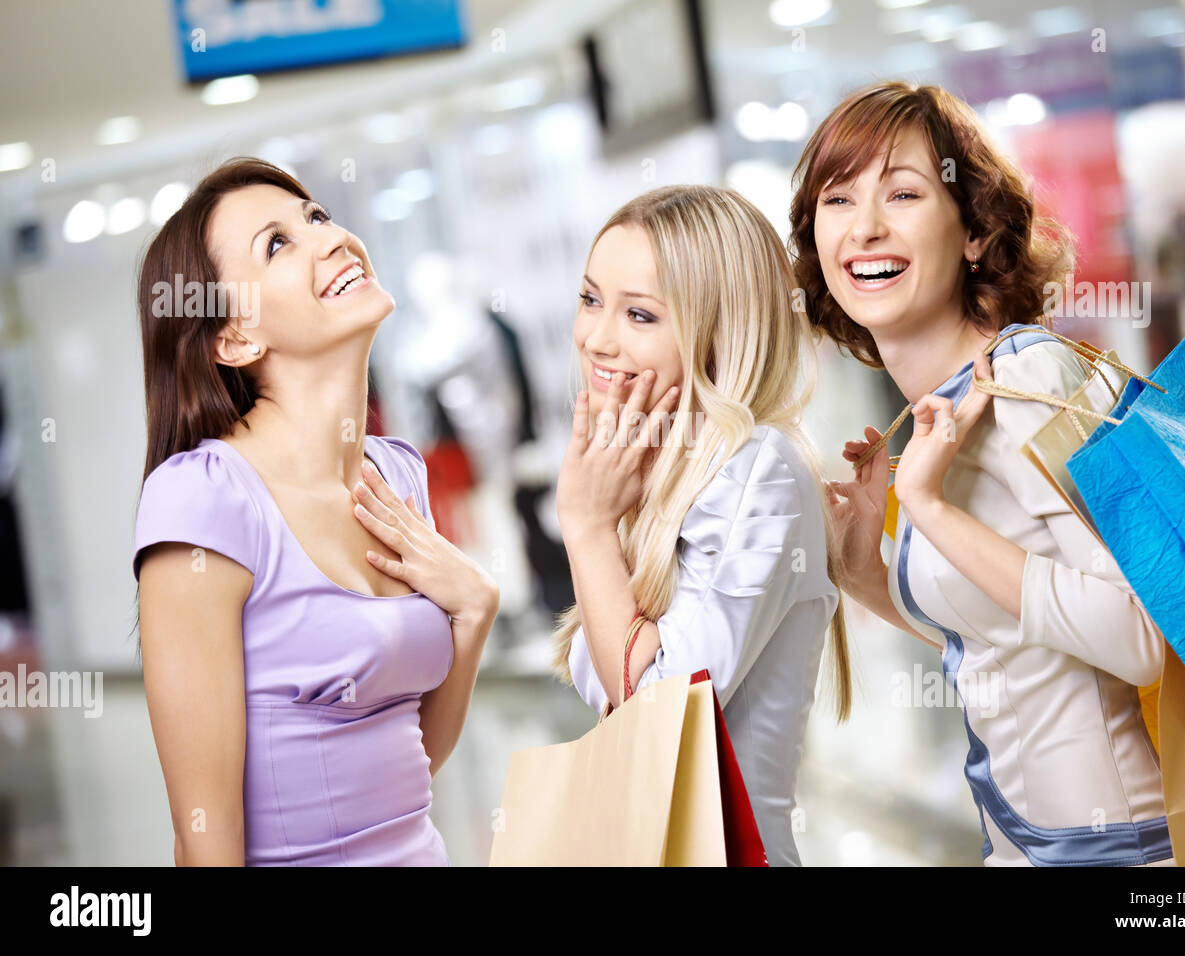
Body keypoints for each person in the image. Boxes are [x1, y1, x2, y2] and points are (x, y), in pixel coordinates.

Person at [795, 82, 1173, 866]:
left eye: (902, 193)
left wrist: (928, 508)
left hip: (1118, 851)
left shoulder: (1030, 382)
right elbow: (1001, 636)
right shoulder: (938, 409)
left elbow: (1138, 636)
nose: (865, 228)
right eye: (838, 200)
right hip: (1021, 846)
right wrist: (868, 570)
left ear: (972, 231)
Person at [132, 158, 498, 866]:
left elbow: (412, 764)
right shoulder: (203, 498)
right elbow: (206, 841)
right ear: (235, 339)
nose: (328, 238)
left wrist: (474, 614)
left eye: (317, 218)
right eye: (277, 244)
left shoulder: (395, 476)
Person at [551, 184, 853, 867]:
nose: (597, 338)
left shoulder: (760, 468)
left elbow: (657, 709)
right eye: (591, 299)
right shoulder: (653, 472)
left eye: (639, 314)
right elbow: (608, 680)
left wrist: (587, 527)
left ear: (720, 328)